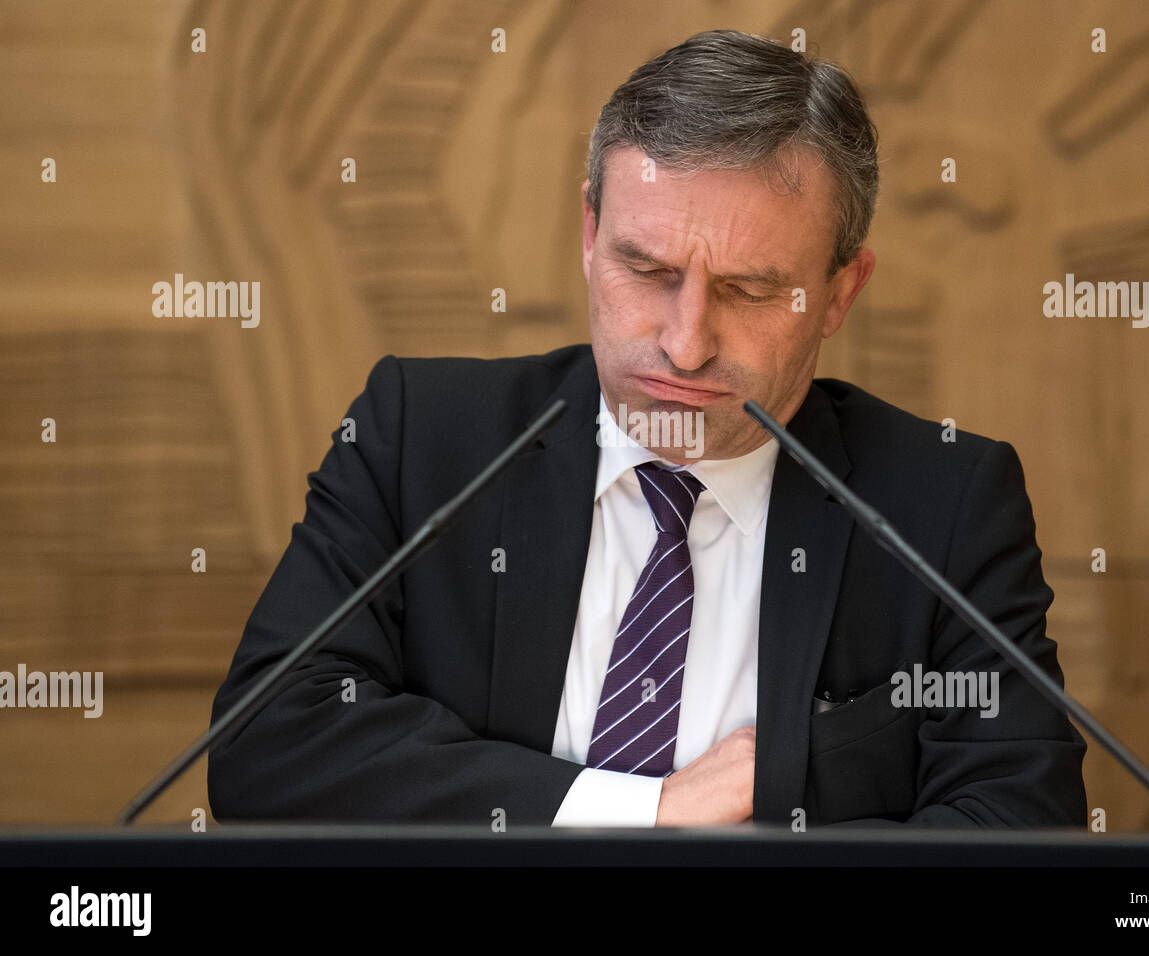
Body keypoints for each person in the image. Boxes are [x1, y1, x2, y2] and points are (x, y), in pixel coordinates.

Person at [208, 29, 1086, 828]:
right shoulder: (422, 441)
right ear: (590, 233)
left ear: (839, 294)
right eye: (648, 268)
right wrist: (646, 812)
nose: (685, 342)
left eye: (746, 289)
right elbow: (270, 744)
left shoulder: (944, 506)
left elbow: (1019, 821)